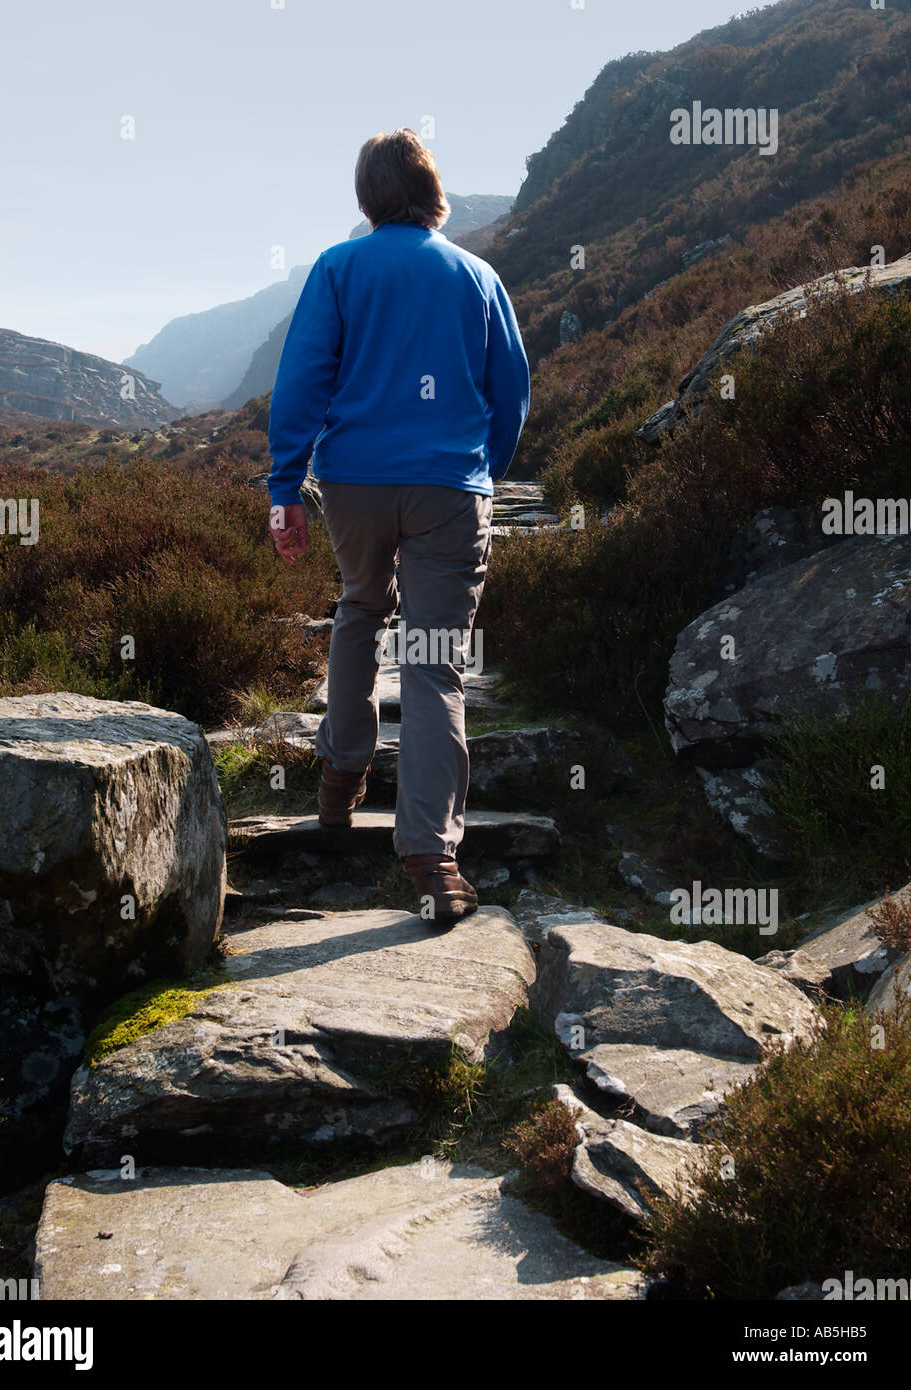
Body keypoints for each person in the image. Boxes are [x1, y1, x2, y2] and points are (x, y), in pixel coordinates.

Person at [267, 127, 530, 922]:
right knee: (433, 660)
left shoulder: (339, 268)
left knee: (358, 606)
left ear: (366, 195)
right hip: (448, 487)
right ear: (431, 188)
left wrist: (286, 483)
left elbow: (303, 378)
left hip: (352, 482)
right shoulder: (476, 274)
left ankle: (340, 776)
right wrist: (482, 464)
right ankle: (429, 856)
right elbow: (510, 389)